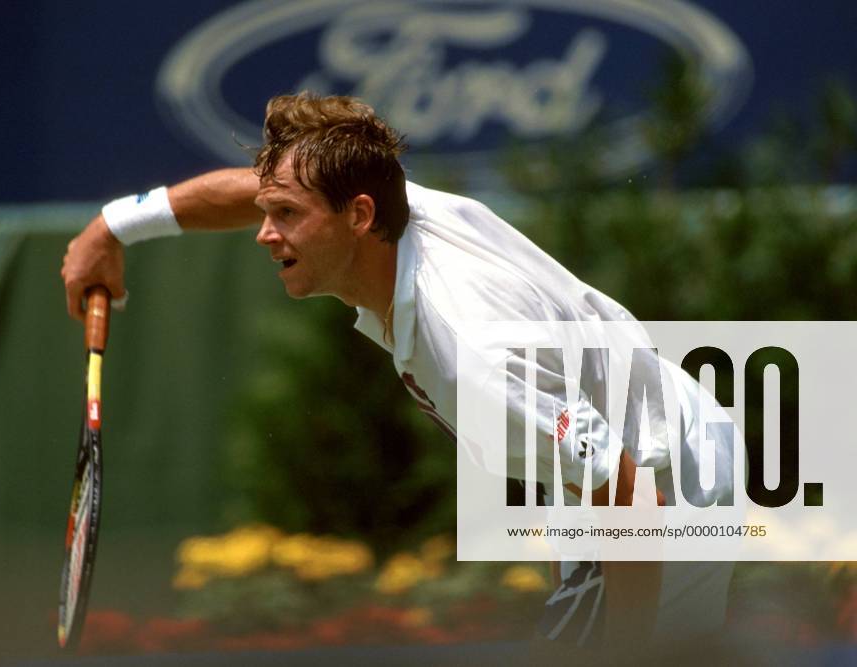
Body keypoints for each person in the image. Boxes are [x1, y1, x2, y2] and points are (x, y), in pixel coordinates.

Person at [61, 92, 735, 654]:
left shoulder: (469, 352)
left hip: (665, 484)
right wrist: (112, 228)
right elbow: (253, 193)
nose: (266, 233)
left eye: (286, 217)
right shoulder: (387, 205)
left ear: (357, 217)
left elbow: (624, 487)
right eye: (271, 212)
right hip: (632, 448)